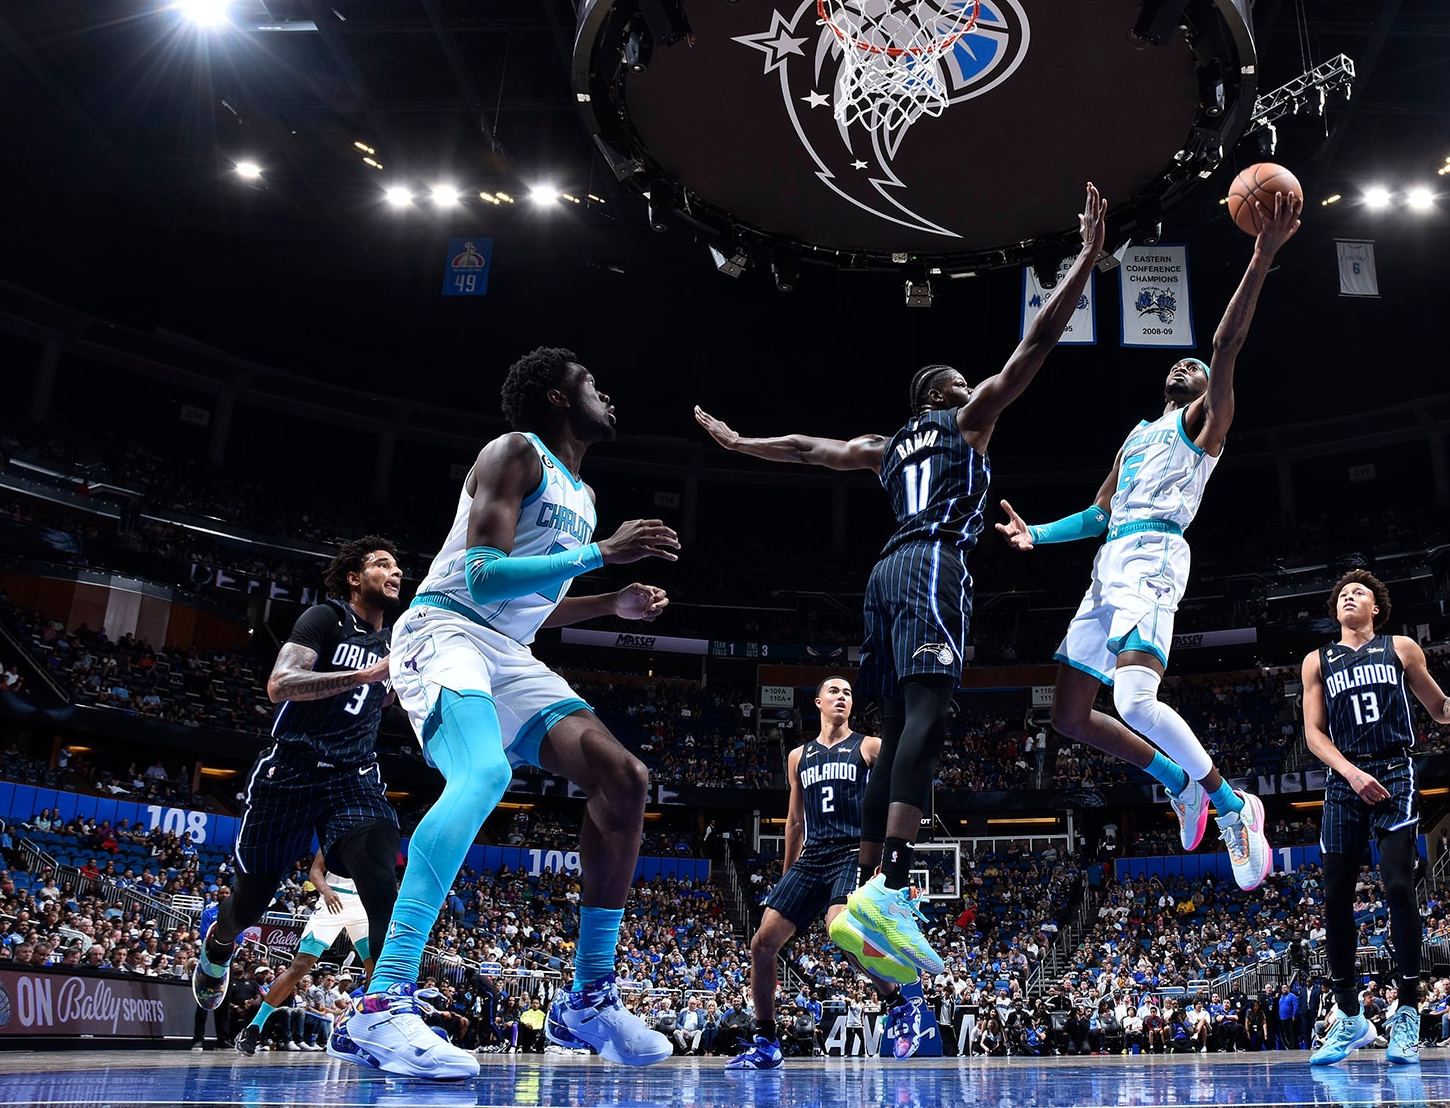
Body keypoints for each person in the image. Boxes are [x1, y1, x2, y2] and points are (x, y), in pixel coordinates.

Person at [693, 184, 1108, 980]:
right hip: (932, 564)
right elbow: (1036, 348)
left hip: (882, 575)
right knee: (930, 715)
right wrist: (1086, 259)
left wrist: (742, 444)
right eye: (956, 378)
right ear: (940, 395)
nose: (968, 382)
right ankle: (891, 883)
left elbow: (812, 450)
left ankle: (879, 879)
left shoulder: (884, 447)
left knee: (892, 722)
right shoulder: (968, 419)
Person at [339, 348, 678, 1080]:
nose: (607, 393)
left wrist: (609, 602)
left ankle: (589, 998)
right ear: (557, 396)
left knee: (625, 779)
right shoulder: (514, 451)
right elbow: (485, 575)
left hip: (508, 647)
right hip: (445, 626)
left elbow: (534, 600)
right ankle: (382, 1003)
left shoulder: (581, 493)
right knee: (483, 773)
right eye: (593, 382)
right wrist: (601, 556)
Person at [992, 188, 1302, 890]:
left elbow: (1226, 343)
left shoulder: (1204, 424)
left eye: (1192, 368)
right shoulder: (1137, 435)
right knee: (1071, 715)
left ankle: (1231, 804)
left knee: (1133, 702)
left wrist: (1260, 257)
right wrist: (1037, 534)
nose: (1185, 367)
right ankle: (1179, 781)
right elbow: (1101, 512)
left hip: (1158, 555)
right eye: (1180, 367)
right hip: (1111, 564)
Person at [193, 538, 406, 1028]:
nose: (395, 573)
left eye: (398, 568)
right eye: (382, 565)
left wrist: (398, 685)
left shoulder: (397, 639)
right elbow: (280, 684)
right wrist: (365, 675)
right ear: (355, 578)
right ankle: (220, 942)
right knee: (249, 904)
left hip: (353, 775)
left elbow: (385, 698)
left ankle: (390, 1008)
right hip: (290, 771)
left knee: (379, 868)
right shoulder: (325, 619)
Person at [1301, 570, 1450, 1067]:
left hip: (1394, 771)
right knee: (1334, 897)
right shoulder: (1317, 661)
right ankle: (1350, 1016)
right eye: (1342, 594)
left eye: (1360, 593)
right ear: (1336, 611)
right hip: (1344, 779)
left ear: (1376, 609)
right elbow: (1313, 734)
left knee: (1397, 886)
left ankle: (1409, 1012)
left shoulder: (1402, 648)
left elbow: (1438, 709)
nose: (1349, 596)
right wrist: (1350, 774)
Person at [726, 675, 938, 1068]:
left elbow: (899, 791)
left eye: (848, 693)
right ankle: (767, 1043)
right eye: (834, 692)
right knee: (761, 944)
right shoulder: (797, 756)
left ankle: (900, 1003)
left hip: (853, 850)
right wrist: (788, 874)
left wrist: (884, 862)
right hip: (812, 856)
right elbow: (793, 821)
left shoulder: (869, 746)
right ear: (818, 703)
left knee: (840, 929)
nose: (842, 697)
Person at [236, 849, 375, 1056]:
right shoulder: (338, 827)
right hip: (333, 897)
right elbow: (315, 872)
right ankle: (254, 1027)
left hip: (362, 904)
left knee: (375, 967)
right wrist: (326, 891)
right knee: (301, 966)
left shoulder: (380, 829)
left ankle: (366, 1032)